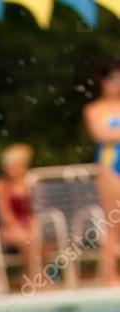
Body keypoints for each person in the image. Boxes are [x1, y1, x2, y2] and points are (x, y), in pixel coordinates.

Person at [84, 62, 120, 286]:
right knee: (113, 222)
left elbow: (109, 133)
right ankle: (110, 275)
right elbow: (100, 134)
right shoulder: (94, 109)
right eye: (113, 80)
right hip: (111, 168)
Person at [0, 144, 40, 280]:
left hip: (27, 226)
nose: (11, 170)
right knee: (27, 240)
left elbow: (33, 212)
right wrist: (20, 228)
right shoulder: (1, 186)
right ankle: (34, 277)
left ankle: (30, 275)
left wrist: (32, 229)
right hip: (8, 229)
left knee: (37, 238)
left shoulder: (30, 183)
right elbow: (5, 215)